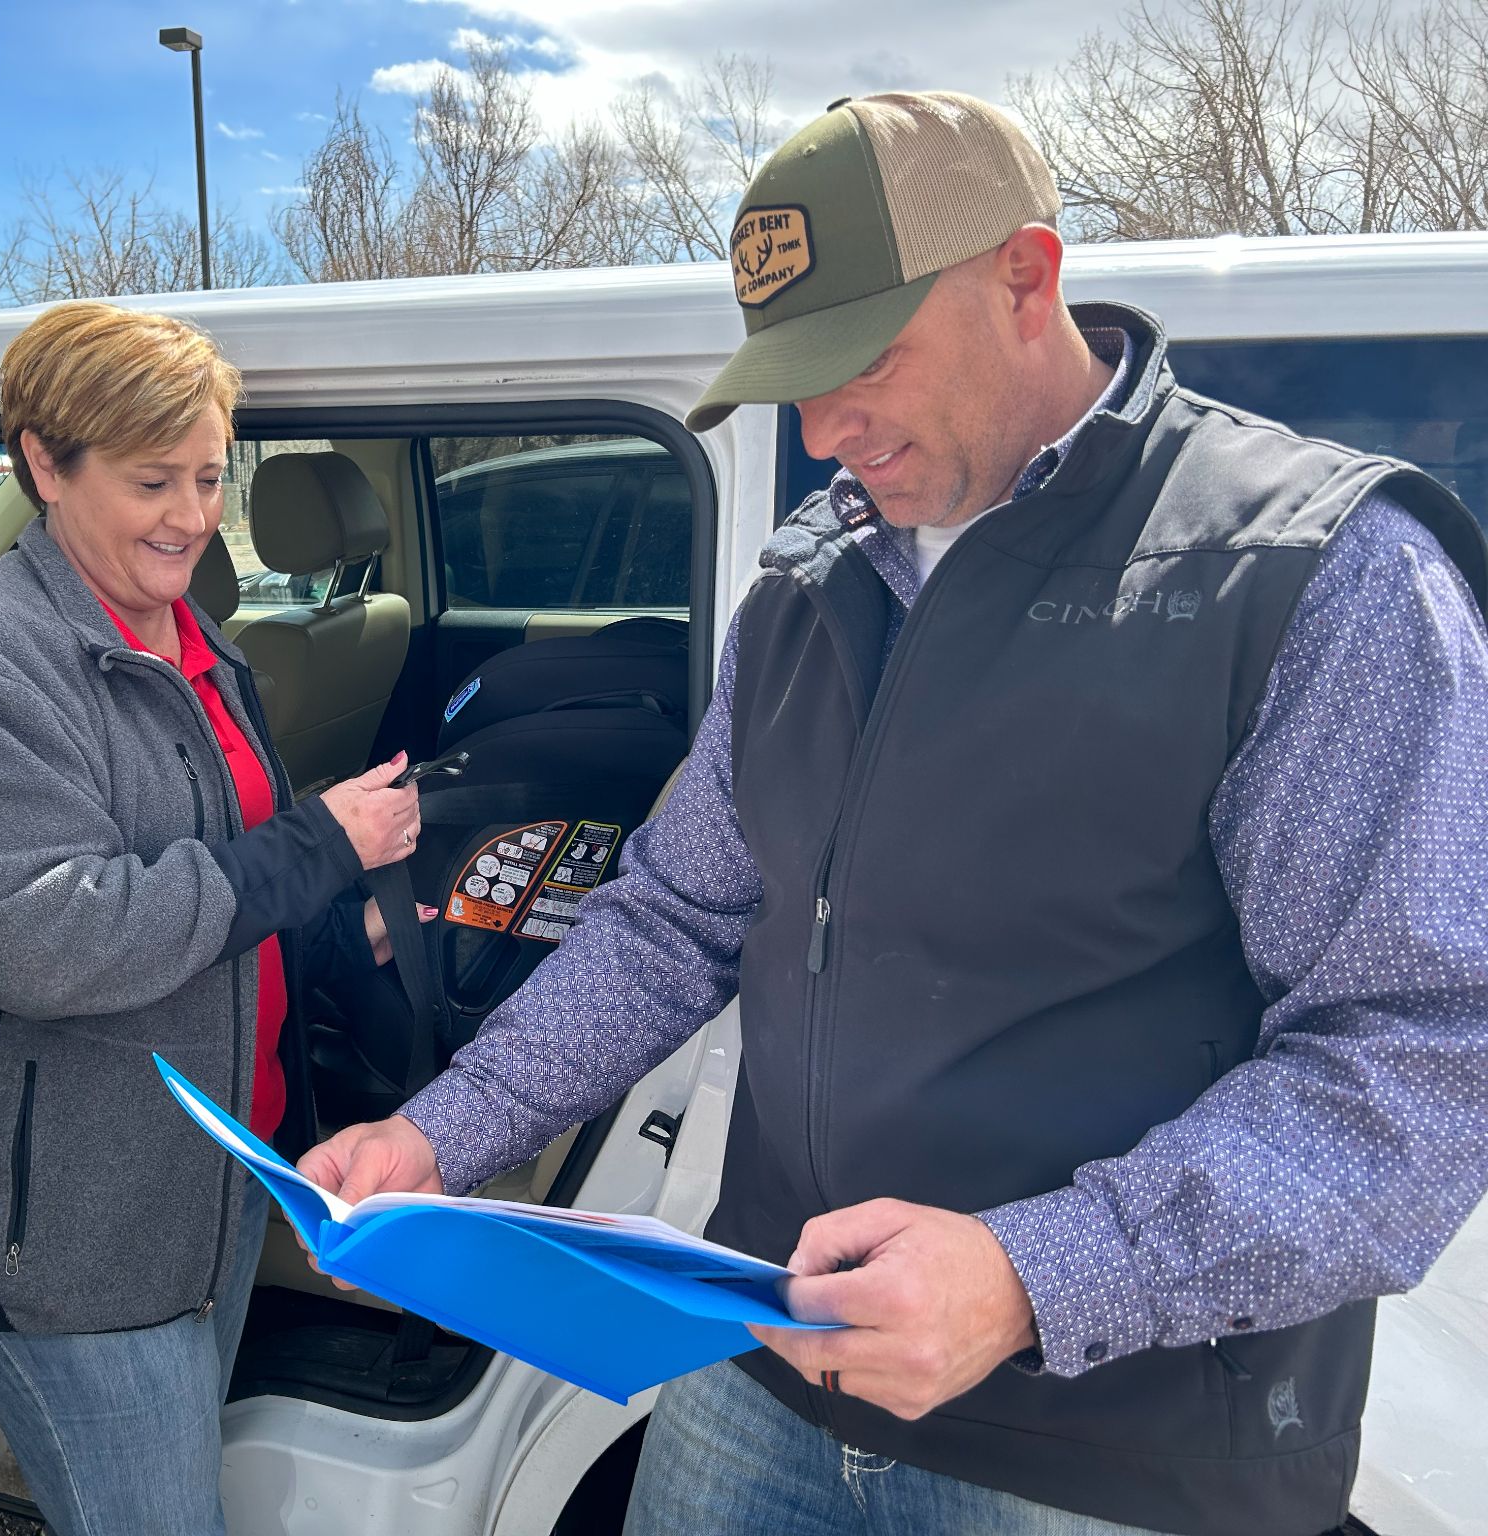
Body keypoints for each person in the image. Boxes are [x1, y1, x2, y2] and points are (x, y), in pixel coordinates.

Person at [299, 91, 1488, 1536]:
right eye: (792, 378)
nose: (821, 425)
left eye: (864, 358)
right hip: (767, 1378)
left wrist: (1039, 1277)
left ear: (1027, 277)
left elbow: (1422, 1059)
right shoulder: (808, 586)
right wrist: (447, 1131)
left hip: (1114, 1447)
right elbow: (679, 916)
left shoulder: (1310, 575)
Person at [0, 302, 423, 1536]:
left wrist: (347, 926)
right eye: (151, 479)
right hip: (76, 1246)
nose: (191, 515)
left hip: (213, 1180)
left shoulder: (188, 644)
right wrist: (323, 843)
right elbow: (46, 936)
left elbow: (223, 883)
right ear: (43, 466)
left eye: (211, 477)